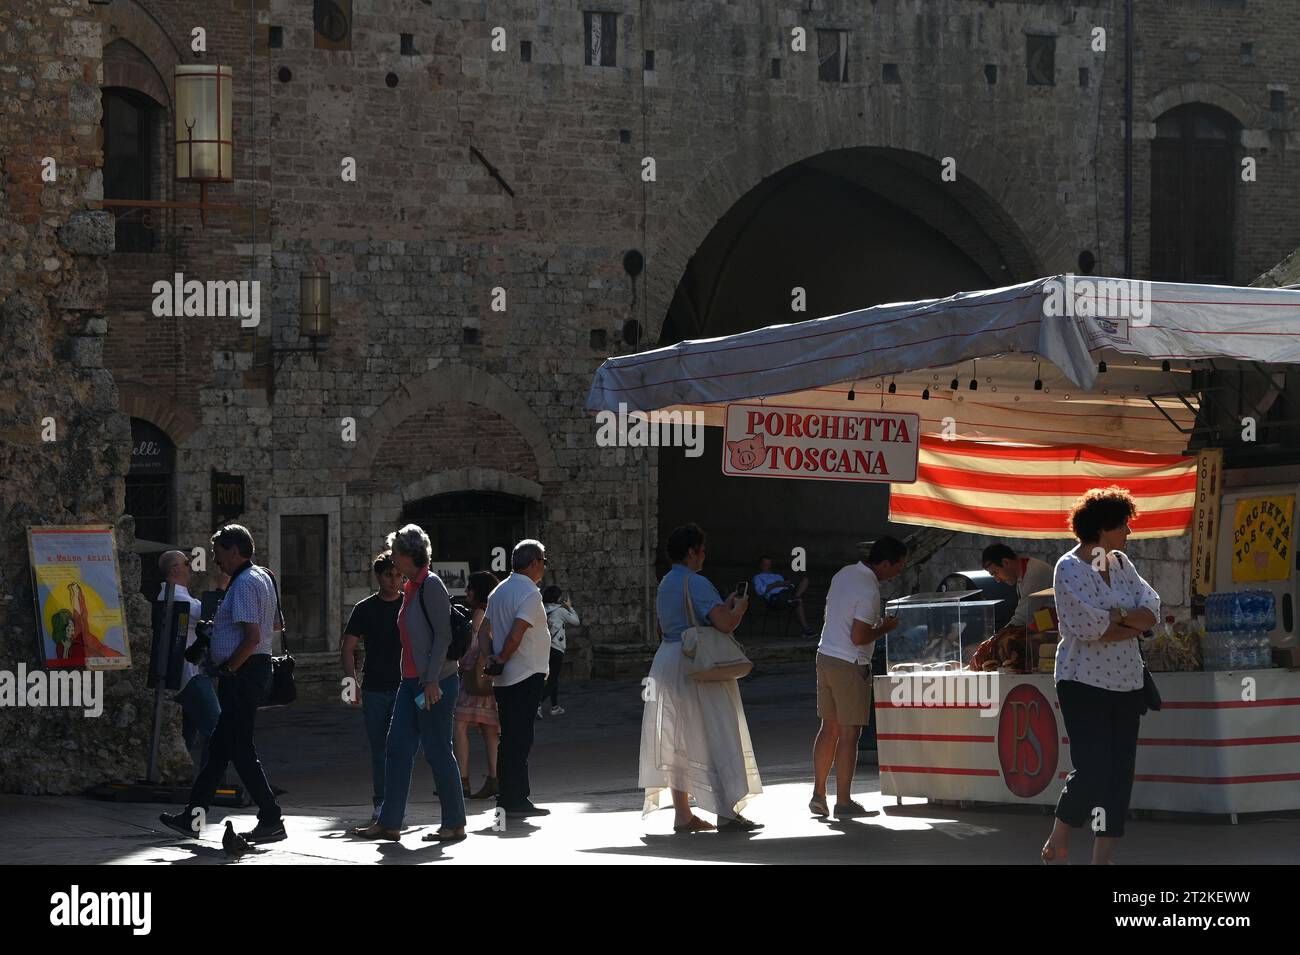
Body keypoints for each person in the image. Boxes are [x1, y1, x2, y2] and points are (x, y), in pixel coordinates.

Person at [1041, 487, 1159, 866]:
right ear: (1102, 528)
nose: (1128, 531)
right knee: (1093, 768)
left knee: (1119, 774)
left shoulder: (1123, 563)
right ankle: (1059, 837)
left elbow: (1151, 609)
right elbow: (1088, 626)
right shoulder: (1069, 567)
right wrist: (1129, 620)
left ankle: (1102, 858)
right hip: (1082, 682)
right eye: (1122, 524)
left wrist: (1118, 619)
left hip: (1127, 681)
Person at [159, 525, 285, 843]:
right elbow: (275, 625)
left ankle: (271, 818)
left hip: (243, 675)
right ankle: (194, 817)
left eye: (217, 554)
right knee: (219, 749)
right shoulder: (261, 577)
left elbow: (253, 636)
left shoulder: (243, 583)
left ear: (233, 550)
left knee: (238, 749)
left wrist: (228, 668)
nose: (215, 562)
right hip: (251, 671)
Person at [640, 522, 763, 833]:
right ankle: (727, 811)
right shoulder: (696, 582)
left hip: (667, 659)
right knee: (717, 732)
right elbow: (724, 624)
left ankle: (683, 814)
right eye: (703, 551)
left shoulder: (666, 582)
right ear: (692, 553)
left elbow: (663, 626)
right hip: (696, 663)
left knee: (677, 738)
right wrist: (739, 608)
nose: (704, 556)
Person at [354, 524, 466, 842]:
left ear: (406, 555)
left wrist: (431, 680)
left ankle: (455, 822)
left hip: (434, 682)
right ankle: (390, 822)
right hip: (411, 683)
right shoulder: (412, 587)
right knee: (397, 747)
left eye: (395, 553)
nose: (392, 559)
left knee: (437, 750)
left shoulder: (430, 585)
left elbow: (443, 634)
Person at [810, 536, 909, 819]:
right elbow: (859, 636)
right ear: (886, 563)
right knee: (850, 733)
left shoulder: (844, 573)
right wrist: (885, 627)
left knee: (828, 729)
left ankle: (819, 794)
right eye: (899, 565)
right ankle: (843, 801)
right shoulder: (869, 589)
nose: (899, 571)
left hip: (825, 655)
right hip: (850, 663)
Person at [483, 540, 552, 817]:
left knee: (509, 737)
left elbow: (483, 632)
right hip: (524, 672)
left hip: (505, 678)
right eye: (543, 561)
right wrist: (500, 658)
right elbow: (516, 633)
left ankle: (507, 796)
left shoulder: (498, 591)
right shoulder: (530, 593)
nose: (544, 567)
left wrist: (491, 658)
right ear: (534, 562)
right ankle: (516, 799)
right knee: (520, 738)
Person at [340, 550, 404, 823]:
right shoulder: (364, 609)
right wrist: (350, 683)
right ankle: (381, 802)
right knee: (380, 749)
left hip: (404, 686)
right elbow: (348, 648)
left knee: (400, 749)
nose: (394, 581)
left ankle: (396, 802)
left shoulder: (409, 604)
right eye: (389, 575)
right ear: (379, 576)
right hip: (375, 687)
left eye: (399, 575)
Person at [158, 550, 219, 777]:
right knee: (218, 729)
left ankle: (180, 776)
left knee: (187, 734)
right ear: (175, 569)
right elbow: (209, 614)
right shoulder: (177, 599)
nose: (190, 566)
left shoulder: (173, 596)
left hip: (189, 673)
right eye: (186, 563)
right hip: (190, 675)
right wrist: (223, 588)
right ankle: (210, 782)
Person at [454, 570, 501, 800]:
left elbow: (473, 648)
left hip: (473, 680)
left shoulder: (478, 614)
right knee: (490, 731)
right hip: (489, 681)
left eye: (470, 587)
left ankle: (462, 780)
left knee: (460, 726)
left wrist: (460, 662)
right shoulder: (495, 611)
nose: (466, 592)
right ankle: (494, 778)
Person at [982, 543, 1056, 631]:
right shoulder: (1023, 572)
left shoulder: (1035, 573)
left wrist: (998, 638)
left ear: (1006, 562)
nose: (998, 580)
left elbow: (1022, 616)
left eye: (995, 573)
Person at [541, 585, 579, 717]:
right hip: (556, 648)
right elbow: (576, 621)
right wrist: (569, 607)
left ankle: (554, 706)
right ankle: (537, 704)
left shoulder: (541, 610)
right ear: (557, 598)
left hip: (544, 648)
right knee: (553, 679)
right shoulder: (560, 611)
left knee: (552, 678)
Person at [752, 556, 815, 636]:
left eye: (769, 565)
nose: (768, 567)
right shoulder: (758, 577)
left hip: (787, 592)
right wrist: (776, 584)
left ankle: (793, 598)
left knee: (805, 580)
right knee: (798, 601)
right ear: (760, 565)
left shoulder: (778, 576)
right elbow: (760, 592)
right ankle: (807, 629)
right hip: (775, 599)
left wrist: (787, 584)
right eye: (765, 565)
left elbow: (786, 585)